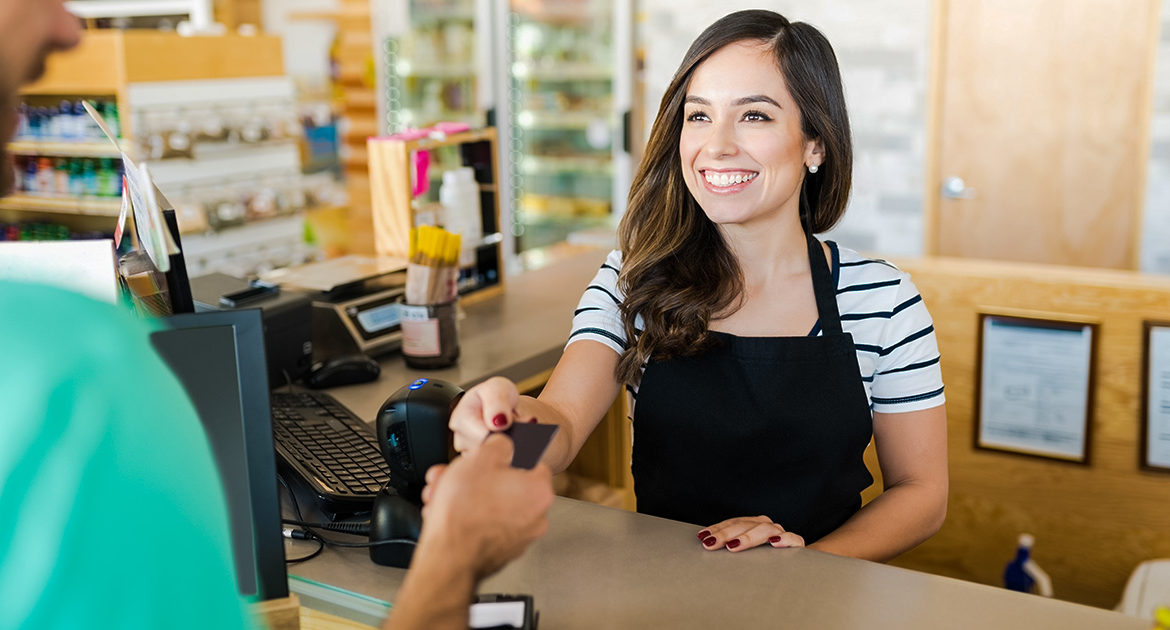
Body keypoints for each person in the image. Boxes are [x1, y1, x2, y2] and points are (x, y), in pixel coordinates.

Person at [0, 3, 553, 629]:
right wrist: (460, 542)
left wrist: (523, 438)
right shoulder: (67, 369)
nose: (70, 28)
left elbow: (556, 428)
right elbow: (557, 425)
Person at [451, 9, 948, 562]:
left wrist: (807, 565)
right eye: (699, 116)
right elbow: (561, 428)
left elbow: (922, 493)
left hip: (825, 592)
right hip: (663, 590)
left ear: (815, 144)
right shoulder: (633, 280)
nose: (717, 145)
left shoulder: (882, 300)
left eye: (754, 115)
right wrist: (509, 437)